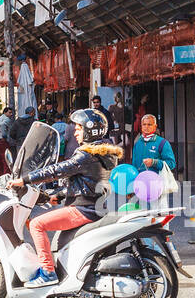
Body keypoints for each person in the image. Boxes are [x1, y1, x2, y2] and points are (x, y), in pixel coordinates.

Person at [9, 108, 121, 287]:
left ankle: (47, 273)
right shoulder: (104, 155)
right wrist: (58, 196)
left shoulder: (86, 155)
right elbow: (87, 183)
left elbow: (57, 170)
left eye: (78, 128)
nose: (75, 131)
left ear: (89, 130)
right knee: (59, 242)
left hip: (82, 209)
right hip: (93, 205)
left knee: (37, 225)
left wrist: (24, 179)